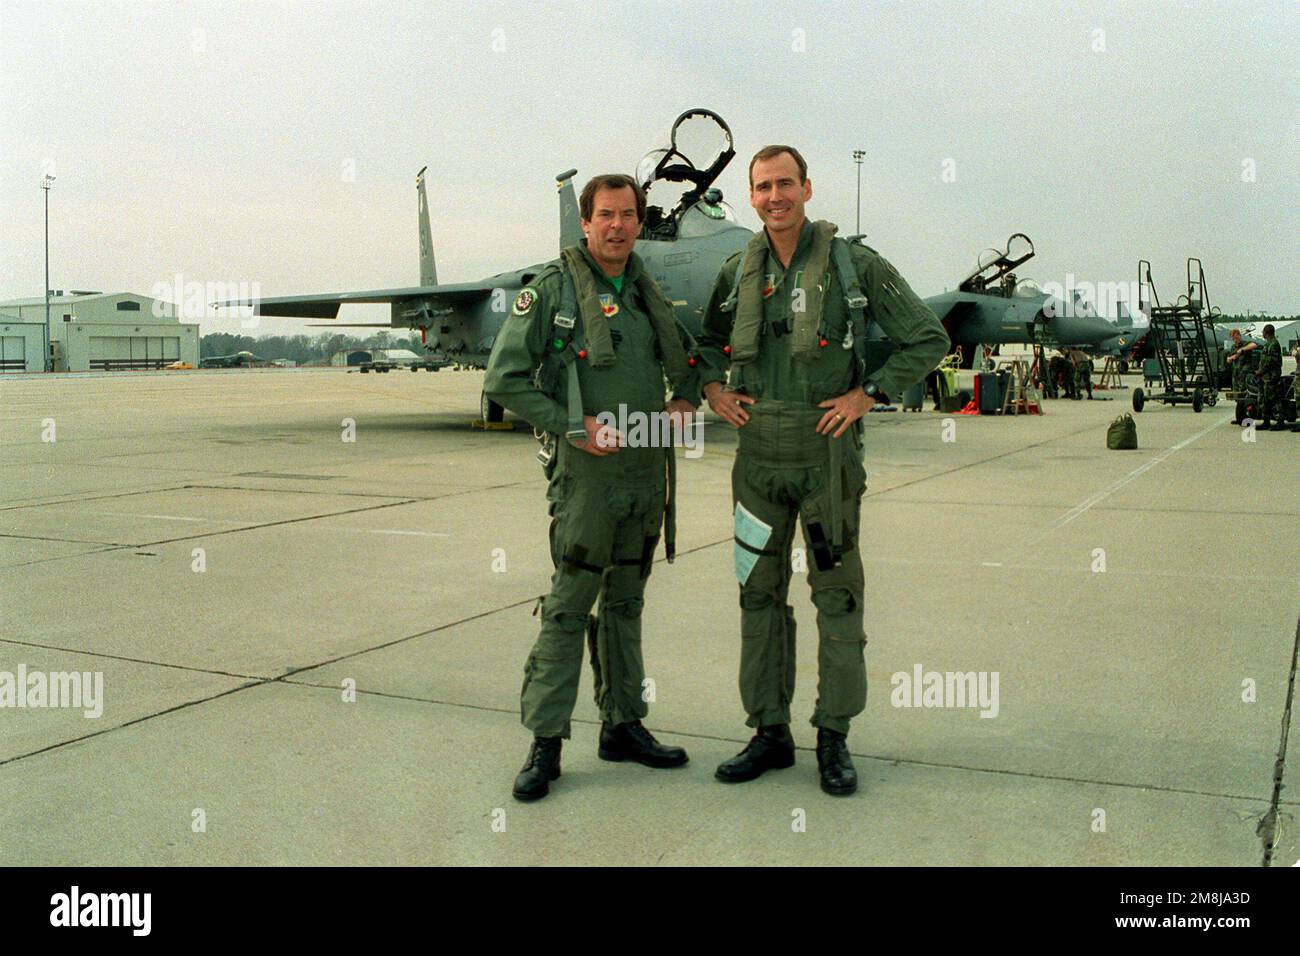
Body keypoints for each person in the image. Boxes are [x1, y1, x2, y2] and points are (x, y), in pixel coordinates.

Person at [696, 145, 947, 796]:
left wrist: (871, 393)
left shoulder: (853, 265)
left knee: (836, 595)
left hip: (826, 454)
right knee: (757, 592)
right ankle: (769, 732)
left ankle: (833, 735)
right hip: (756, 458)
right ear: (750, 197)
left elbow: (928, 336)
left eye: (785, 184)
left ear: (807, 188)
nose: (774, 196)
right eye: (762, 187)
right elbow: (702, 341)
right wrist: (713, 390)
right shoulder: (735, 272)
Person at [483, 174, 700, 800]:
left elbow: (690, 359)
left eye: (628, 215)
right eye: (606, 215)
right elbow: (505, 379)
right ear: (586, 222)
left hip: (644, 471)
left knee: (626, 604)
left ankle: (623, 724)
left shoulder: (646, 293)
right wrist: (572, 426)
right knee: (570, 605)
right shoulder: (552, 292)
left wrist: (686, 395)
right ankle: (545, 743)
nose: (618, 227)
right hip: (587, 479)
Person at [1254, 324, 1283, 430]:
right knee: (1263, 399)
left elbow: (1271, 361)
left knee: (1273, 399)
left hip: (1271, 377)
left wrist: (1260, 371)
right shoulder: (1268, 344)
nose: (1262, 333)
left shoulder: (1274, 344)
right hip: (1264, 376)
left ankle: (1279, 421)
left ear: (1266, 332)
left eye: (1263, 332)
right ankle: (1266, 421)